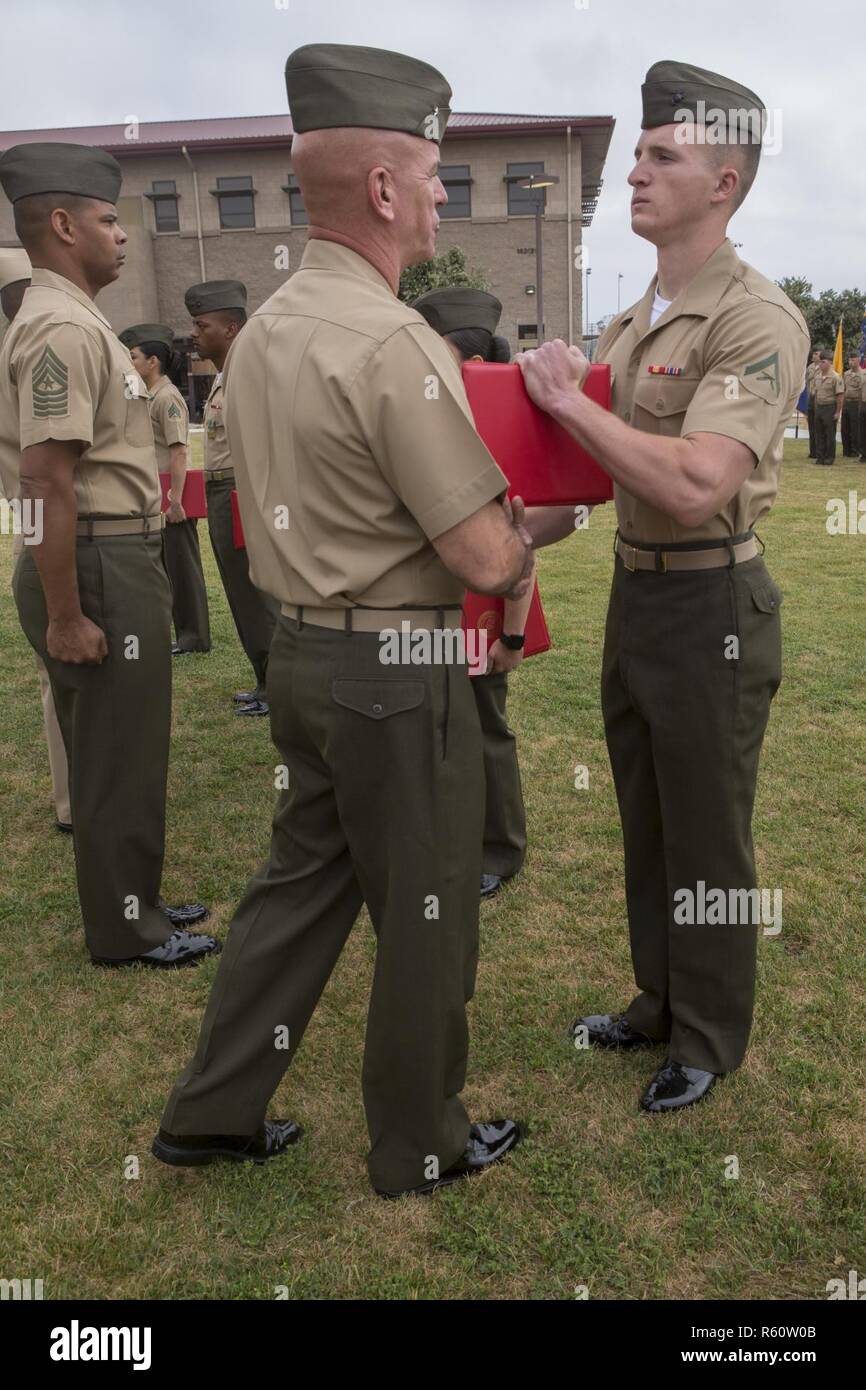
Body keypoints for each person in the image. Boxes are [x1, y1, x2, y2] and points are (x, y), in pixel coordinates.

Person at [153, 43, 534, 1197]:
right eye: (431, 174)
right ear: (379, 188)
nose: (438, 196)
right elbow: (476, 551)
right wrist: (524, 540)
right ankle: (420, 1139)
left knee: (298, 890)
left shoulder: (259, 331)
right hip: (396, 662)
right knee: (424, 910)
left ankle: (212, 1110)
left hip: (308, 653)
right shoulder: (391, 337)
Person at [518, 62, 809, 1112]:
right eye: (636, 155)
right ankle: (659, 995)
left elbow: (694, 481)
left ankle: (707, 1033)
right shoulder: (636, 318)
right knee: (645, 817)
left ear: (721, 181)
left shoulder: (755, 318)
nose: (632, 173)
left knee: (705, 830)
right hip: (638, 596)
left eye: (659, 156)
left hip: (709, 606)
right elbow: (594, 480)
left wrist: (566, 402)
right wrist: (505, 538)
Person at [0, 142, 218, 968]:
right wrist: (64, 614)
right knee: (115, 757)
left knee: (128, 747)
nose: (123, 235)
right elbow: (46, 477)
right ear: (61, 225)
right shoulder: (59, 325)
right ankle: (127, 929)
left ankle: (141, 900)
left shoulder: (77, 316)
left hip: (112, 554)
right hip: (93, 559)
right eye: (106, 220)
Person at [412, 286, 530, 899]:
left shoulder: (487, 413)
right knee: (441, 722)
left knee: (484, 723)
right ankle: (455, 834)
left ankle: (500, 847)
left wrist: (512, 630)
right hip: (435, 596)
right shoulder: (441, 405)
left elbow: (520, 537)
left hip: (482, 598)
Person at [1, 245, 71, 833]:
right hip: (49, 527)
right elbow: (43, 477)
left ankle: (74, 801)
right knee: (69, 680)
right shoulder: (38, 342)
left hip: (31, 524)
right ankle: (77, 804)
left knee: (61, 681)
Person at [184, 281, 278, 715]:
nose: (194, 334)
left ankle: (277, 686)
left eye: (202, 325)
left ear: (231, 327)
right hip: (223, 489)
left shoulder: (248, 371)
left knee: (256, 592)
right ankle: (265, 679)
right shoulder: (227, 375)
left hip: (241, 492)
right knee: (241, 593)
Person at [118, 322, 211, 654]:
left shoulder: (167, 397)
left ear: (152, 361)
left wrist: (175, 501)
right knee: (169, 568)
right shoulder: (149, 394)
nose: (130, 364)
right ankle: (185, 634)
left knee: (183, 570)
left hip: (174, 498)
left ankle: (194, 638)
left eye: (134, 357)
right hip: (159, 495)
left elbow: (179, 451)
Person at [813, 349, 843, 465]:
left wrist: (837, 412)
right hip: (819, 407)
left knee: (830, 434)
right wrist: (816, 407)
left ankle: (829, 457)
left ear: (830, 363)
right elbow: (816, 393)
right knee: (819, 434)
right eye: (820, 362)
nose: (820, 364)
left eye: (823, 362)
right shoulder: (818, 377)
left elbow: (840, 396)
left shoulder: (836, 377)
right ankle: (820, 457)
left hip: (830, 407)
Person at [841, 353, 862, 458]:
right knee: (844, 428)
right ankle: (846, 450)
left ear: (858, 360)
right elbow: (844, 389)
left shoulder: (863, 374)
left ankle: (855, 451)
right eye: (849, 360)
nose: (850, 362)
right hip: (846, 402)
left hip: (856, 402)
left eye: (853, 360)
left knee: (855, 428)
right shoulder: (846, 374)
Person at [805, 348, 820, 459]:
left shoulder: (826, 367)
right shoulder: (809, 367)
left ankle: (820, 451)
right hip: (810, 397)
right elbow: (805, 381)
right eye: (813, 353)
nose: (814, 356)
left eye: (816, 354)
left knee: (818, 426)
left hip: (819, 399)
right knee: (811, 426)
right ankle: (813, 452)